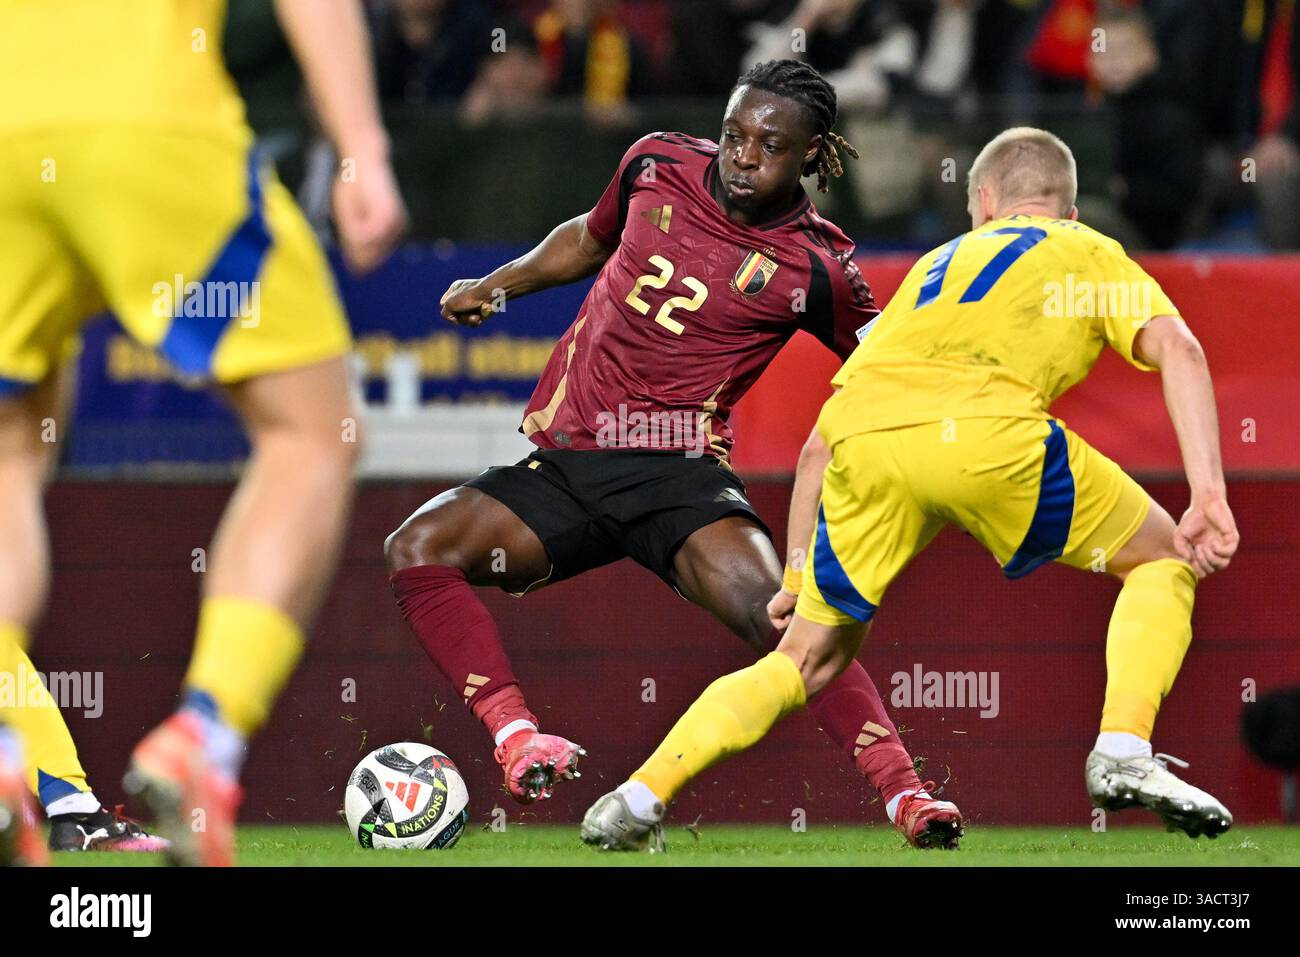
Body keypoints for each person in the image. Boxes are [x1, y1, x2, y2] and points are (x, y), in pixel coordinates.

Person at [584, 126, 1239, 850]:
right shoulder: (1084, 248)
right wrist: (1208, 492)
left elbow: (815, 447)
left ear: (984, 201)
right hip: (990, 435)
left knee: (800, 659)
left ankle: (638, 795)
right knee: (1160, 560)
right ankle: (1122, 751)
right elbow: (1178, 346)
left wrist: (797, 568)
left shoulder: (934, 268)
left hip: (867, 447)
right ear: (1069, 209)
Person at [387, 59, 965, 850]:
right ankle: (518, 737)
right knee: (417, 547)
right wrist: (500, 283)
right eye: (734, 133)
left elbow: (887, 366)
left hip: (677, 474)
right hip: (571, 458)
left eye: (768, 143)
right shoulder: (655, 160)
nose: (743, 154)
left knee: (788, 622)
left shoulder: (817, 267)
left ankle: (908, 796)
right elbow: (589, 240)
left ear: (811, 155)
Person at [0, 0, 407, 866]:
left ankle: (6, 757)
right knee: (307, 434)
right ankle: (204, 737)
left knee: (5, 462)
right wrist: (361, 147)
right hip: (147, 126)